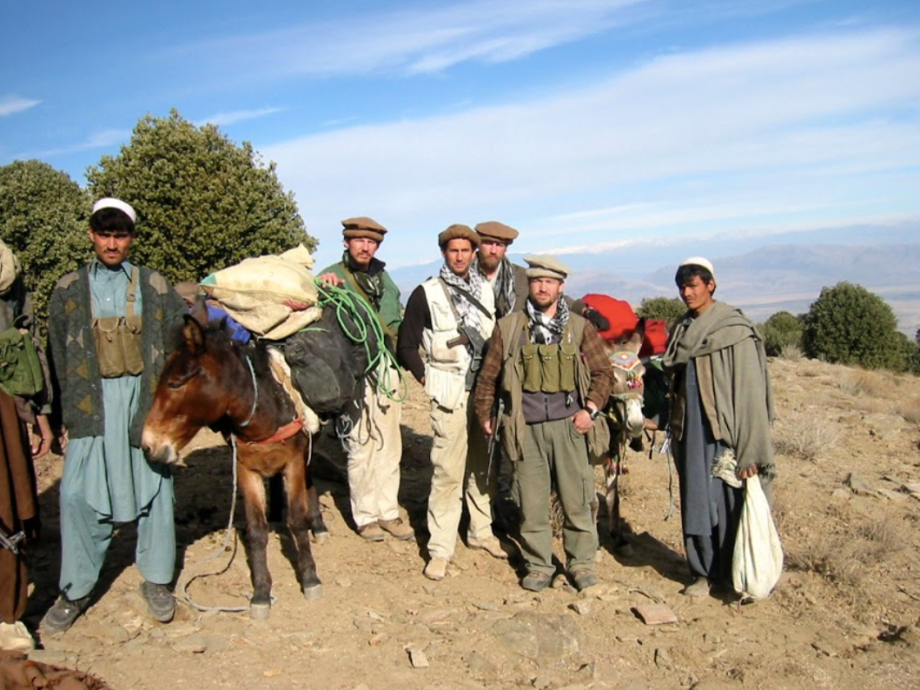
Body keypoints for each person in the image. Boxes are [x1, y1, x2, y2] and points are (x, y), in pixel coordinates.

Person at [42, 198, 186, 633]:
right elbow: (52, 355)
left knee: (155, 490)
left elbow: (182, 334)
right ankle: (76, 588)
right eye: (104, 234)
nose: (111, 242)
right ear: (91, 235)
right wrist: (52, 416)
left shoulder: (154, 285)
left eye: (119, 235)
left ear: (131, 239)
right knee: (75, 496)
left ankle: (158, 581)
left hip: (141, 401)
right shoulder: (68, 289)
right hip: (91, 404)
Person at [473, 255, 614, 592]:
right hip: (527, 430)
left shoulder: (580, 327)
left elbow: (603, 374)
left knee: (577, 501)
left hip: (570, 427)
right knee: (531, 504)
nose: (542, 287)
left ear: (561, 287)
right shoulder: (508, 328)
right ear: (529, 286)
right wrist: (485, 415)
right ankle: (538, 565)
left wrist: (590, 410)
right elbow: (488, 378)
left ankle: (580, 564)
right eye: (536, 281)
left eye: (550, 282)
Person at [662, 257, 775, 597]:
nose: (687, 293)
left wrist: (751, 449)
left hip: (727, 433)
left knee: (728, 502)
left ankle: (732, 574)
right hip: (690, 431)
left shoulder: (733, 330)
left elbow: (751, 393)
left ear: (711, 285)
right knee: (695, 501)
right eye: (682, 287)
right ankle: (700, 573)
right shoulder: (681, 330)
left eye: (694, 285)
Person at [397, 224, 502, 581]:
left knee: (482, 465)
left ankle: (481, 531)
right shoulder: (426, 294)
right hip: (449, 391)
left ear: (474, 253)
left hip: (484, 390)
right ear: (444, 253)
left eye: (465, 250)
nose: (459, 256)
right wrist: (428, 379)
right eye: (453, 250)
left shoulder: (485, 290)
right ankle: (440, 549)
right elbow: (406, 345)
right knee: (447, 471)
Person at [316, 216, 412, 542]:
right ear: (347, 243)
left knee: (390, 443)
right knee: (361, 443)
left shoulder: (384, 279)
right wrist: (322, 290)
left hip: (386, 367)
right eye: (359, 241)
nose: (365, 246)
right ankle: (365, 515)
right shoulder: (331, 277)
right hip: (353, 370)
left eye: (372, 242)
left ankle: (389, 511)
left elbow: (395, 320)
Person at [0, 240, 53, 653]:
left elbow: (27, 343)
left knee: (5, 510)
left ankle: (6, 615)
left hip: (3, 407)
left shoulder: (7, 273)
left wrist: (40, 415)